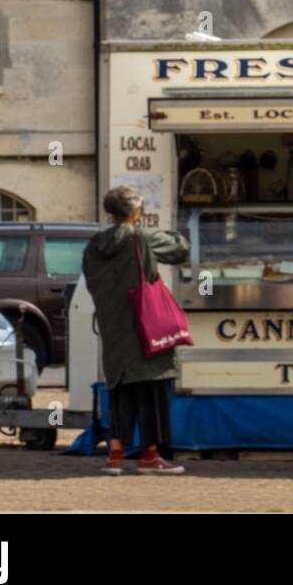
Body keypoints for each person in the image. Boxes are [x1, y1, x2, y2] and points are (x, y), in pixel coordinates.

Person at [82, 185, 191, 476]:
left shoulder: (94, 245)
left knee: (120, 391)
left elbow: (94, 284)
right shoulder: (140, 237)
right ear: (135, 212)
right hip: (146, 324)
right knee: (153, 390)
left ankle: (115, 457)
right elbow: (181, 248)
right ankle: (149, 456)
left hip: (113, 326)